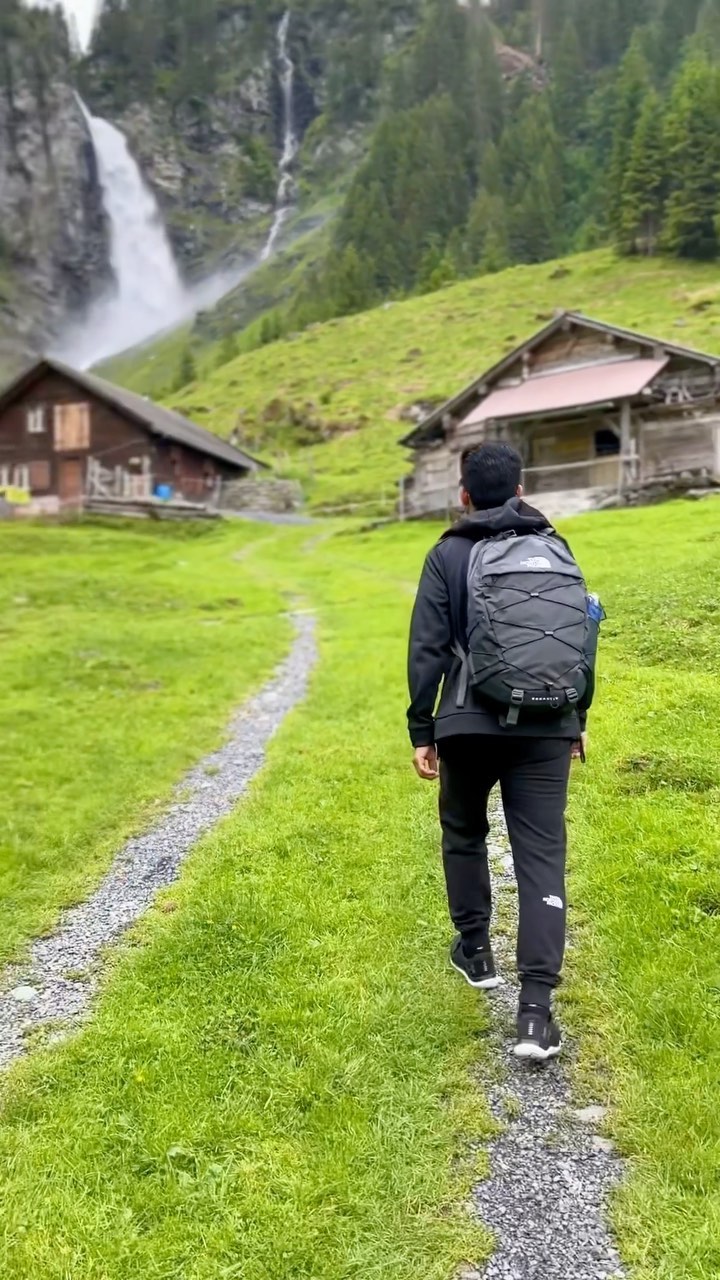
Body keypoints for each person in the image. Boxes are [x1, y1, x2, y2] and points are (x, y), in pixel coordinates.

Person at [407, 442, 594, 1062]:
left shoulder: (447, 554)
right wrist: (577, 717)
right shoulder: (556, 547)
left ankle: (476, 952)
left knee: (464, 832)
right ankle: (536, 1014)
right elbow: (578, 636)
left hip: (466, 724)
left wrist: (422, 729)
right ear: (521, 489)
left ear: (463, 494)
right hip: (548, 726)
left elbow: (428, 649)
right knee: (542, 857)